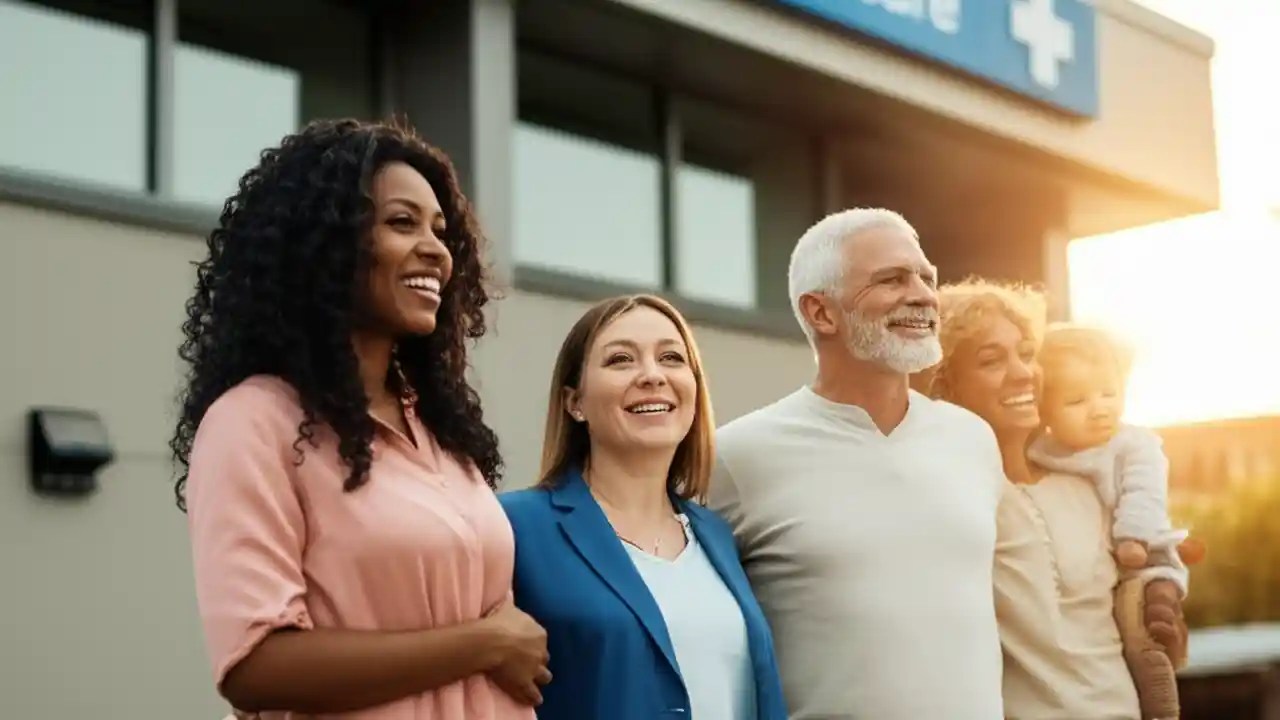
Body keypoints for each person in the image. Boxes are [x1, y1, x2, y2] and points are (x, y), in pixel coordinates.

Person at [170, 119, 548, 719]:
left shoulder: (442, 433)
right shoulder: (254, 422)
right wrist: (484, 645)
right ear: (324, 243)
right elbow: (256, 666)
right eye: (402, 223)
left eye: (440, 231)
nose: (436, 250)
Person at [708, 208, 1009, 719]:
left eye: (926, 278)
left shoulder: (974, 440)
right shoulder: (736, 455)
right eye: (891, 279)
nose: (922, 294)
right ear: (821, 312)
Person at [500, 294, 788, 720]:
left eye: (671, 358)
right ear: (574, 402)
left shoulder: (718, 536)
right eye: (620, 360)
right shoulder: (514, 527)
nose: (652, 375)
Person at [924, 278, 1190, 720]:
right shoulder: (954, 501)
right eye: (992, 361)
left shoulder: (1088, 483)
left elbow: (1143, 588)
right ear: (945, 384)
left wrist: (1161, 613)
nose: (1023, 372)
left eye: (1027, 353)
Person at [1027, 323, 1188, 719]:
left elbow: (1143, 494)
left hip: (1143, 556)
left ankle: (1161, 691)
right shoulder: (1043, 452)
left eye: (1109, 393)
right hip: (1100, 572)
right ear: (1044, 410)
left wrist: (1133, 538)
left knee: (1146, 627)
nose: (1100, 407)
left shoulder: (1134, 445)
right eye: (1077, 400)